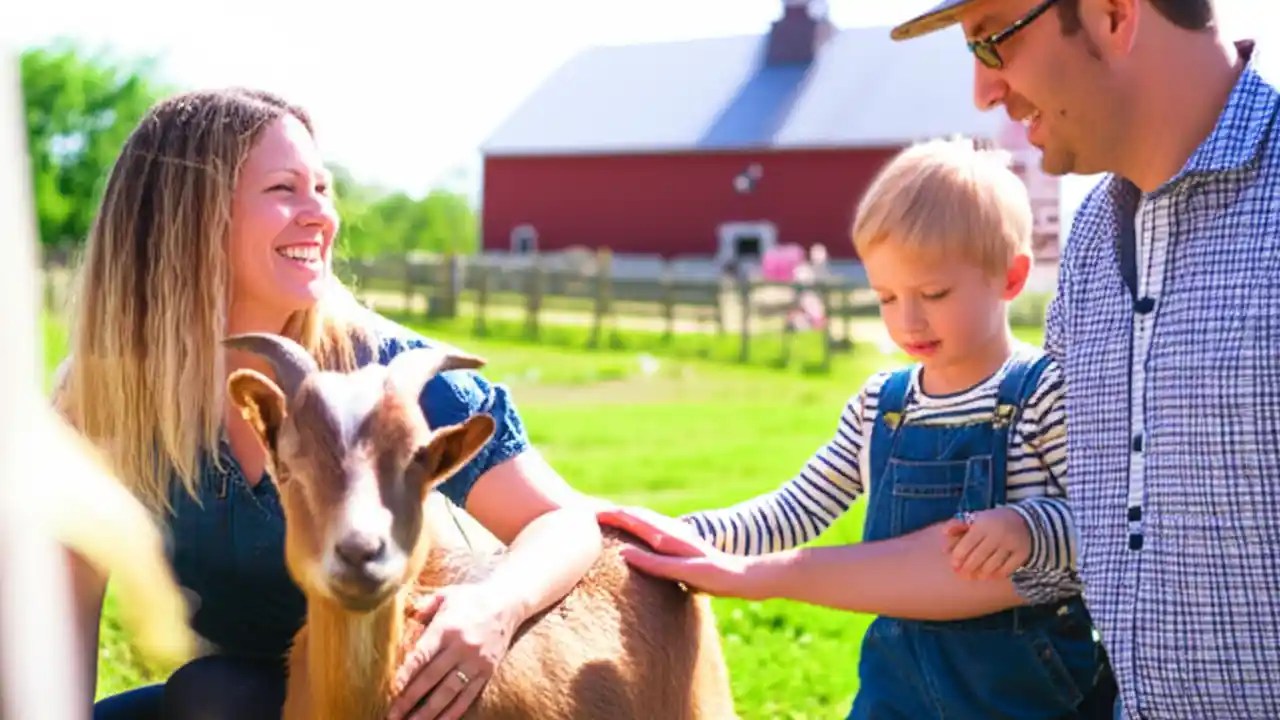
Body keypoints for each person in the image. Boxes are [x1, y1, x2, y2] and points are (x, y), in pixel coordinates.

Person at [53, 87, 602, 720]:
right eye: (285, 189)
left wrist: (494, 606)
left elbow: (562, 522)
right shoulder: (102, 399)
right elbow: (61, 625)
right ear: (190, 216)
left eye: (323, 188)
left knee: (214, 699)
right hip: (235, 694)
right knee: (211, 695)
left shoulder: (390, 378)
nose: (320, 215)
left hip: (390, 697)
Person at [602, 137, 1114, 719]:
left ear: (1010, 277)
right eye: (886, 297)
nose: (909, 320)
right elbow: (795, 510)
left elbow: (1108, 527)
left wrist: (1029, 525)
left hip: (1025, 699)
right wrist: (680, 534)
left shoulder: (1044, 393)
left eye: (934, 294)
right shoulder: (882, 404)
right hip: (897, 696)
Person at [887, 1, 1280, 717]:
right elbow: (1103, 530)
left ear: (1111, 13)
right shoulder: (1093, 243)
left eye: (993, 40)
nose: (982, 91)